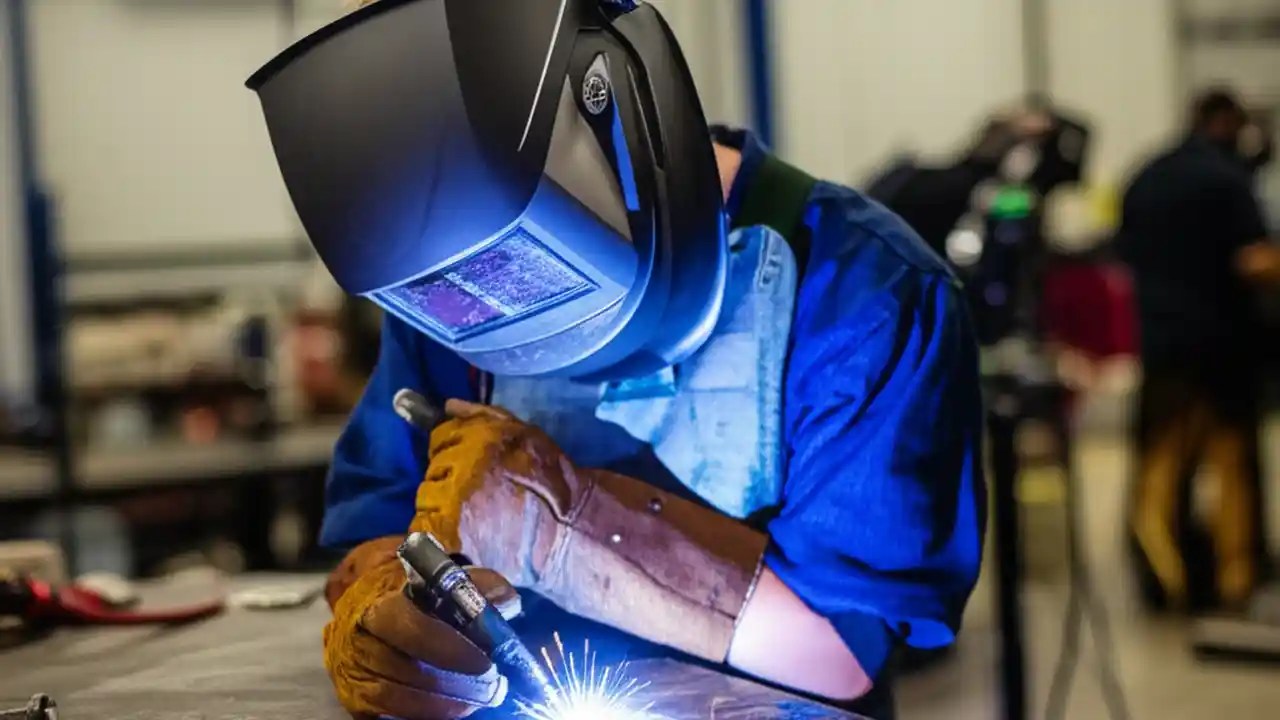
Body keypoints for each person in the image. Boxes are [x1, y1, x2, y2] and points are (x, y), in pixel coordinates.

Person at [247, 1, 986, 718]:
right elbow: (378, 522)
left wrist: (568, 530)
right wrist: (381, 611)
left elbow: (846, 654)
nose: (496, 312)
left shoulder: (865, 292)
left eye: (523, 272)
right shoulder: (451, 285)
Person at [1119, 88, 1280, 613]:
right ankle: (1237, 581)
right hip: (1224, 347)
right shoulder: (1226, 180)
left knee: (1159, 471)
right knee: (1232, 468)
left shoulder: (1146, 175)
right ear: (1227, 122)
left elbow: (1122, 255)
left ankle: (1163, 582)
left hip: (1162, 346)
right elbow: (1254, 261)